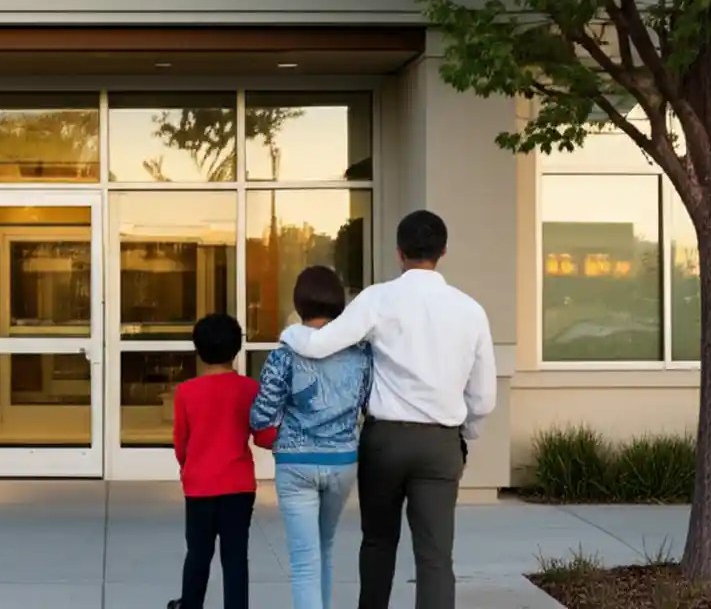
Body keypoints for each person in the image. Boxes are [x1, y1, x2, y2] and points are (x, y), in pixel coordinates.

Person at [279, 210, 497, 609]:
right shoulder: (471, 311)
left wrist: (289, 333)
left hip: (385, 442)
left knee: (378, 543)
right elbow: (483, 398)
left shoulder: (378, 298)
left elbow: (320, 344)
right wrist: (463, 435)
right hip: (440, 443)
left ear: (399, 253)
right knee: (434, 557)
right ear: (443, 250)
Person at [250, 266, 373, 609]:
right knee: (325, 547)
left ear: (299, 303)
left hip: (296, 463)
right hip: (343, 462)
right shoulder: (361, 354)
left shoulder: (282, 356)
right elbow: (367, 404)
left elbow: (260, 415)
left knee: (305, 561)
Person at [168, 313, 276, 609]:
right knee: (236, 557)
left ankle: (190, 603)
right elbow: (264, 436)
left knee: (198, 554)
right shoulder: (249, 389)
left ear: (198, 350)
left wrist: (187, 468)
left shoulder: (186, 392)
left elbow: (181, 442)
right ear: (237, 348)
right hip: (238, 487)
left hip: (200, 487)